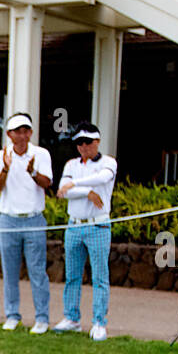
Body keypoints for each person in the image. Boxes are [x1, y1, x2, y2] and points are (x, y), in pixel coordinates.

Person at [54, 122, 118, 342]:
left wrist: (76, 185)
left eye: (87, 142)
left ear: (97, 141)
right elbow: (63, 193)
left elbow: (103, 179)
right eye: (79, 143)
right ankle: (71, 318)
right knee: (72, 276)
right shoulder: (71, 164)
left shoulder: (108, 162)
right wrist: (87, 192)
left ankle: (99, 322)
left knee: (100, 277)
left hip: (97, 226)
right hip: (74, 225)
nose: (83, 147)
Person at [0, 112, 53, 334]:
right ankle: (12, 314)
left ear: (31, 133)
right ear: (9, 134)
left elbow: (47, 183)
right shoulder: (0, 156)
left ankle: (42, 318)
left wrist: (32, 171)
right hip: (8, 220)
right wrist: (7, 168)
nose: (22, 135)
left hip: (34, 219)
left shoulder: (41, 154)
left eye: (26, 131)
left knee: (37, 271)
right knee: (10, 271)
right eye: (17, 131)